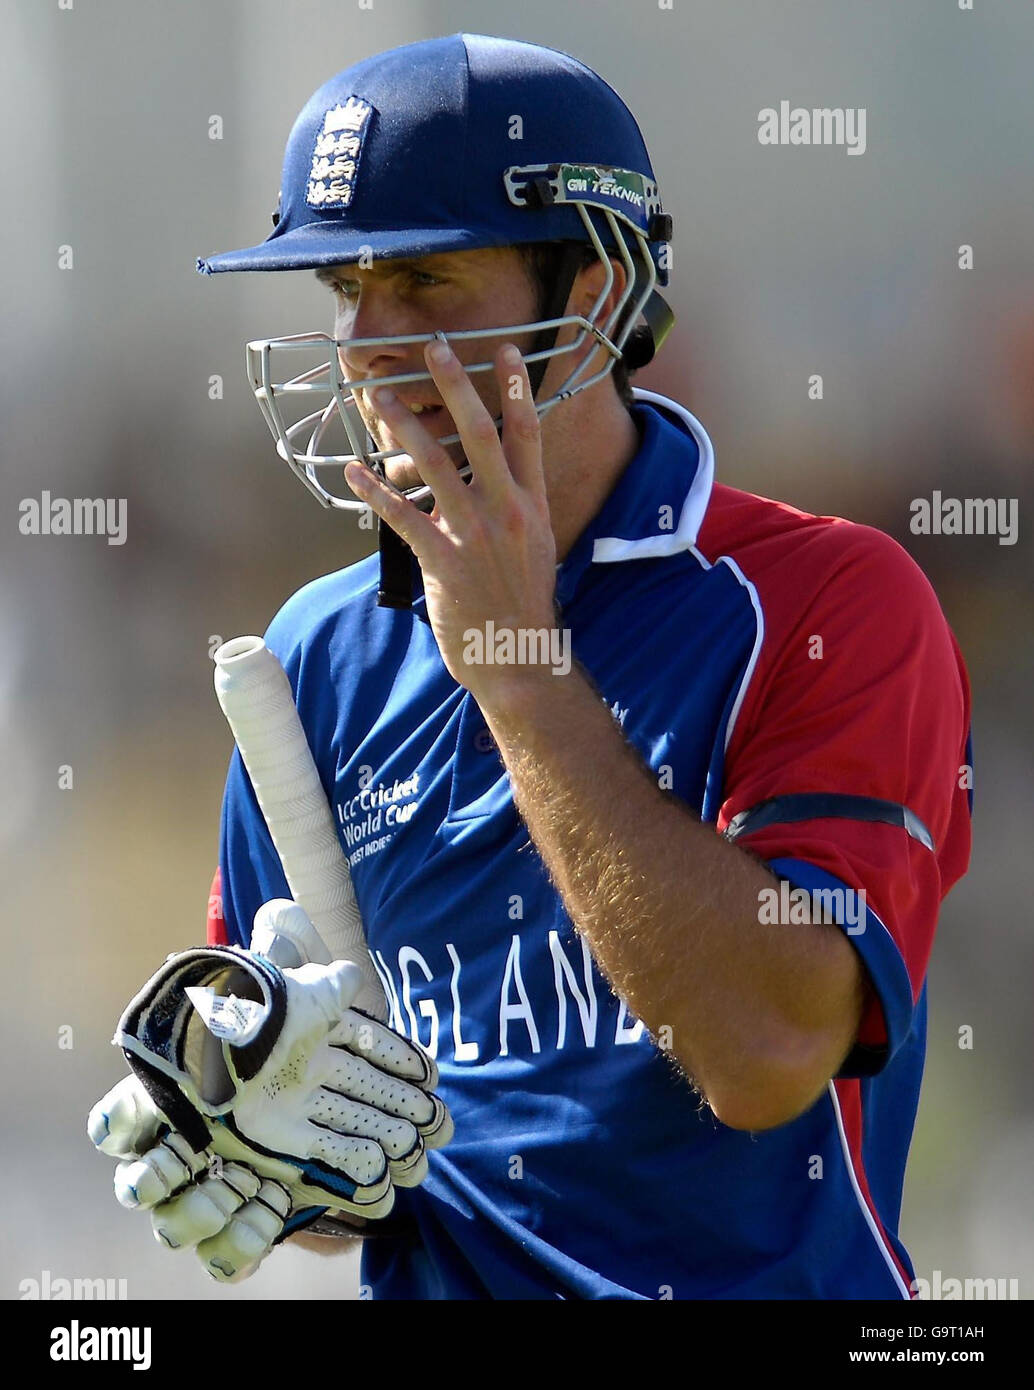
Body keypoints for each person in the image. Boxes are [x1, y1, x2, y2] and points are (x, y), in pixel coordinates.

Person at [105, 33, 974, 1300]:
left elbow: (767, 1049)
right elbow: (348, 1170)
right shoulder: (311, 655)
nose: (365, 347)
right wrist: (259, 1133)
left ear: (596, 295)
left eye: (427, 281)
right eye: (342, 287)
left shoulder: (826, 601)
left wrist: (519, 671)